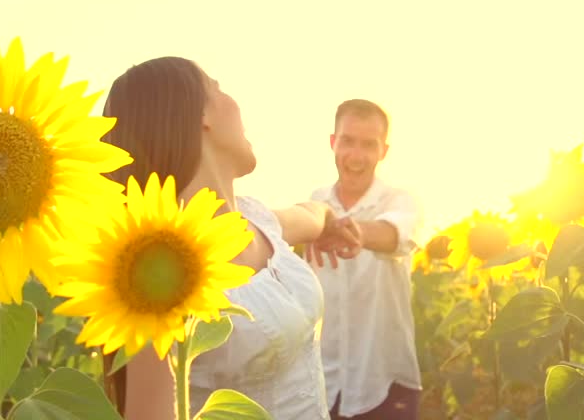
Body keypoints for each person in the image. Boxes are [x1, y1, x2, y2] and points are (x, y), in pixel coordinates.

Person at [100, 57, 361, 420]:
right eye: (218, 88)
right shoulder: (153, 271)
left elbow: (309, 215)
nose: (235, 103)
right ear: (200, 116)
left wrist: (331, 219)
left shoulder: (256, 220)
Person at [305, 99, 423, 420]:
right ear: (333, 142)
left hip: (385, 385)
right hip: (321, 384)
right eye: (347, 142)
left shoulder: (400, 200)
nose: (356, 157)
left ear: (384, 150)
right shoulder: (315, 203)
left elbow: (393, 234)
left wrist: (349, 231)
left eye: (369, 145)